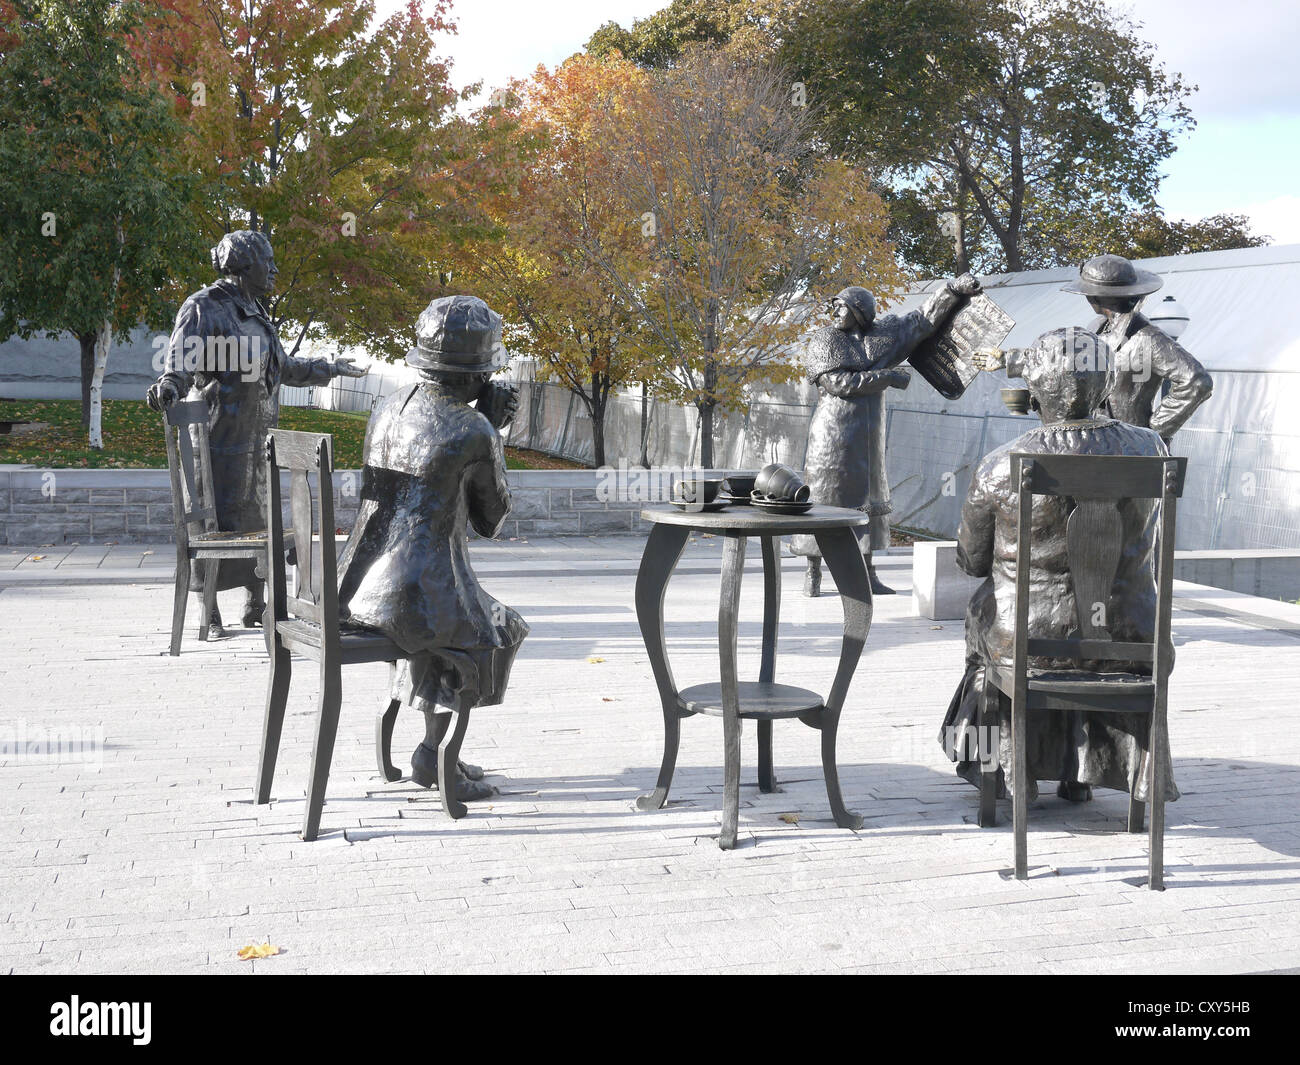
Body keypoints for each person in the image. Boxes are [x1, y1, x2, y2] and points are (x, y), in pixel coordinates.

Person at [939, 327, 1178, 805]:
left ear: (1034, 387)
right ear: (1107, 384)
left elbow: (971, 560)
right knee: (1083, 629)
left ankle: (1005, 771)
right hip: (1131, 636)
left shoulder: (1000, 463)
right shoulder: (1151, 449)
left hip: (1027, 640)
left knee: (987, 630)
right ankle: (1079, 772)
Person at [336, 295, 527, 802]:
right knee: (493, 630)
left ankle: (432, 750)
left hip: (354, 587)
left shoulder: (386, 407)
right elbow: (490, 519)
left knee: (450, 619)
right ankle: (436, 755)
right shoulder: (473, 428)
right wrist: (494, 433)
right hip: (413, 591)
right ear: (478, 375)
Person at [145, 230, 366, 636]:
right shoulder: (204, 307)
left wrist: (332, 367)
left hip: (259, 442)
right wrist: (170, 385)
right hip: (219, 440)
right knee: (217, 523)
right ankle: (207, 609)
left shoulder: (258, 315)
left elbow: (288, 369)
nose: (276, 270)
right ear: (244, 266)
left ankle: (255, 603)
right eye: (269, 261)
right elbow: (180, 359)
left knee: (259, 517)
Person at [793, 274, 982, 596]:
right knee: (826, 497)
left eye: (842, 308)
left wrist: (953, 289)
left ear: (860, 311)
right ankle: (813, 572)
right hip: (832, 432)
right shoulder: (824, 340)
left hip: (868, 431)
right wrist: (888, 377)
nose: (835, 313)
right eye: (834, 307)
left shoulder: (883, 335)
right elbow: (838, 384)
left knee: (867, 499)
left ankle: (868, 573)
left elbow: (922, 319)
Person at [976, 253, 1212, 441]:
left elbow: (1197, 381)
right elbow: (1063, 360)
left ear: (1095, 299)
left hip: (1129, 455)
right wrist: (1007, 359)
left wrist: (1152, 434)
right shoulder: (1098, 331)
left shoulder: (1147, 338)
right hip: (1095, 443)